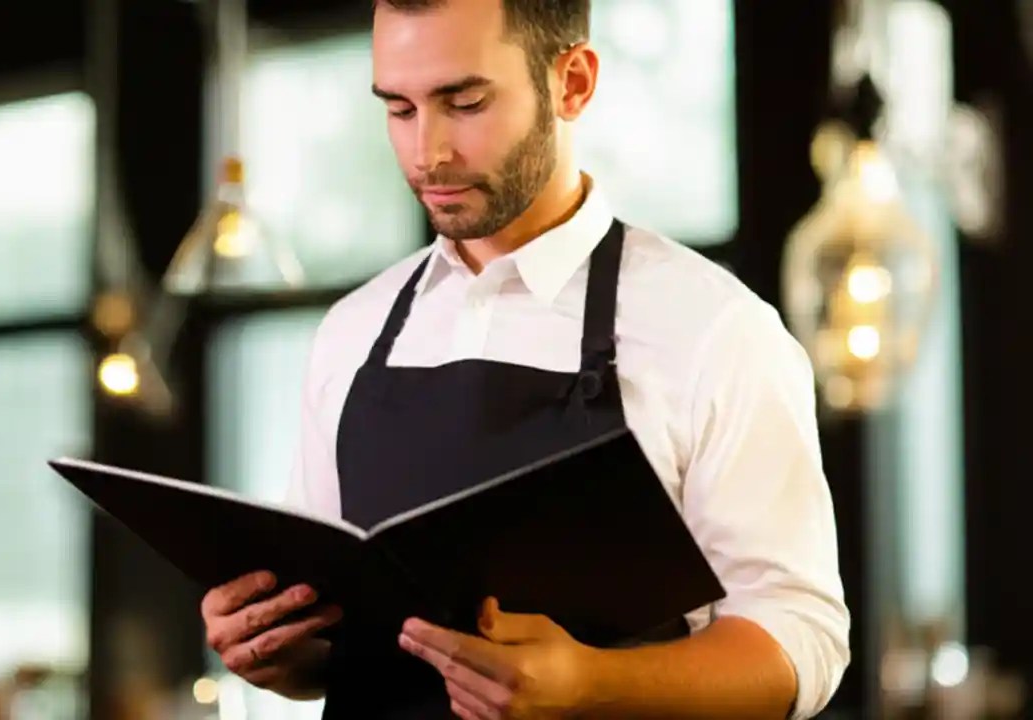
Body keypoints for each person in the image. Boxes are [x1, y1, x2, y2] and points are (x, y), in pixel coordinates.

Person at [199, 0, 850, 717]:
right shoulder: (351, 331)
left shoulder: (714, 329)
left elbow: (801, 639)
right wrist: (273, 649)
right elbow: (334, 643)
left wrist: (592, 685)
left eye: (466, 101)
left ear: (572, 82)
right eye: (399, 109)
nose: (428, 152)